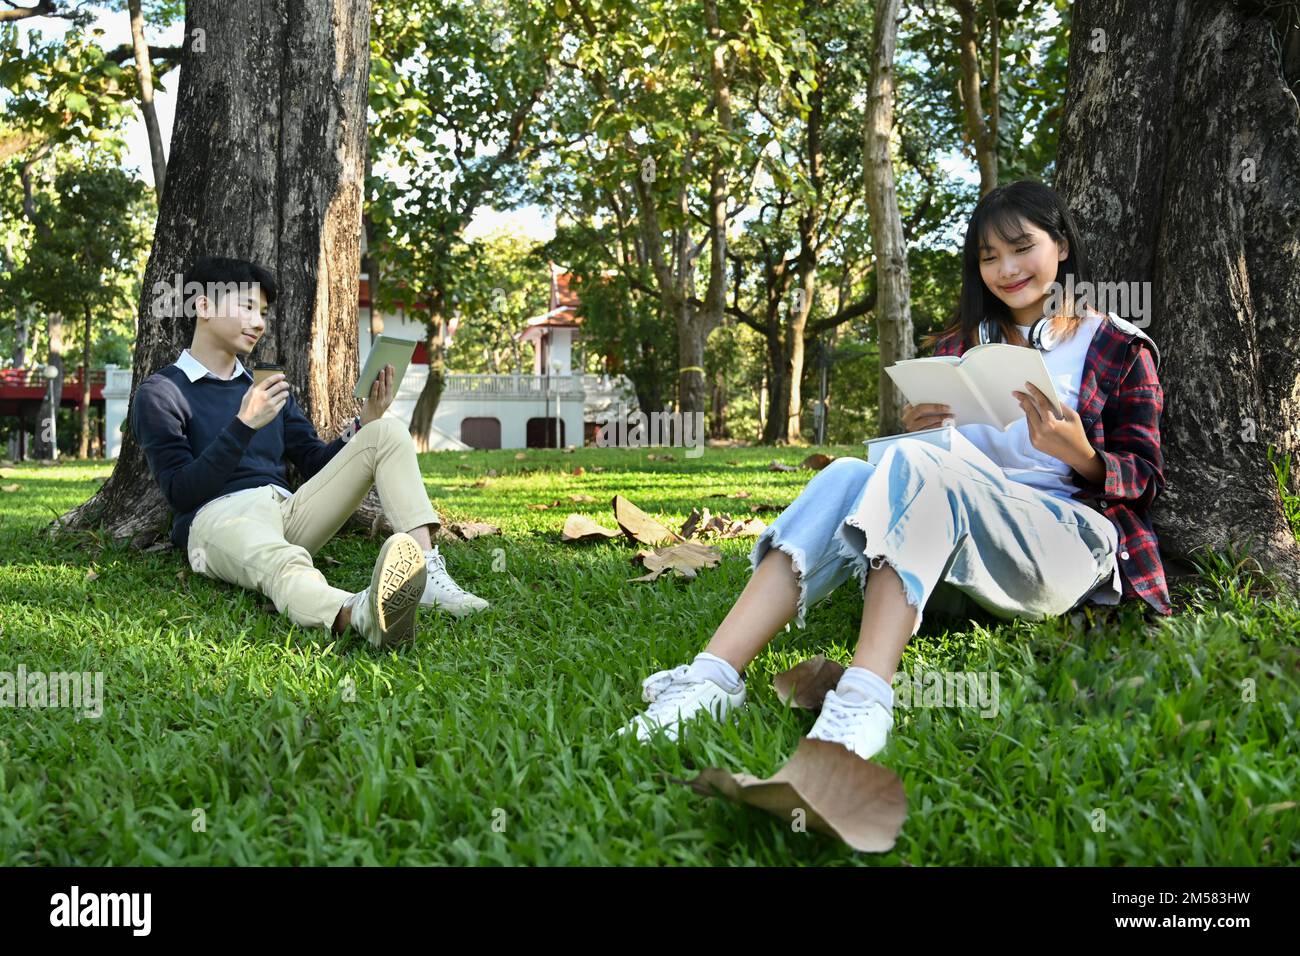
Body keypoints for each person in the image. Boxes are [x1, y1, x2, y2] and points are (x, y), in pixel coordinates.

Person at [620, 180, 1170, 758]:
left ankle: (864, 696)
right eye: (988, 257)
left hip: (1063, 543)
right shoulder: (959, 345)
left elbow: (1145, 477)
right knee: (844, 476)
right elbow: (932, 466)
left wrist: (1075, 451)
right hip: (961, 557)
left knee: (916, 466)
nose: (1006, 268)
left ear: (1060, 244)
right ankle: (710, 679)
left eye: (1020, 247)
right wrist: (923, 432)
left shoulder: (1117, 346)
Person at [131, 256, 488, 649]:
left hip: (289, 510)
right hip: (217, 520)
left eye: (263, 312)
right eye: (248, 307)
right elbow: (181, 493)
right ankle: (361, 614)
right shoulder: (162, 392)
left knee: (384, 431)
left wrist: (364, 422)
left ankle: (429, 572)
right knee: (283, 564)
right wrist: (243, 424)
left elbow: (316, 462)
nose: (259, 323)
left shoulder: (267, 389)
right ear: (203, 306)